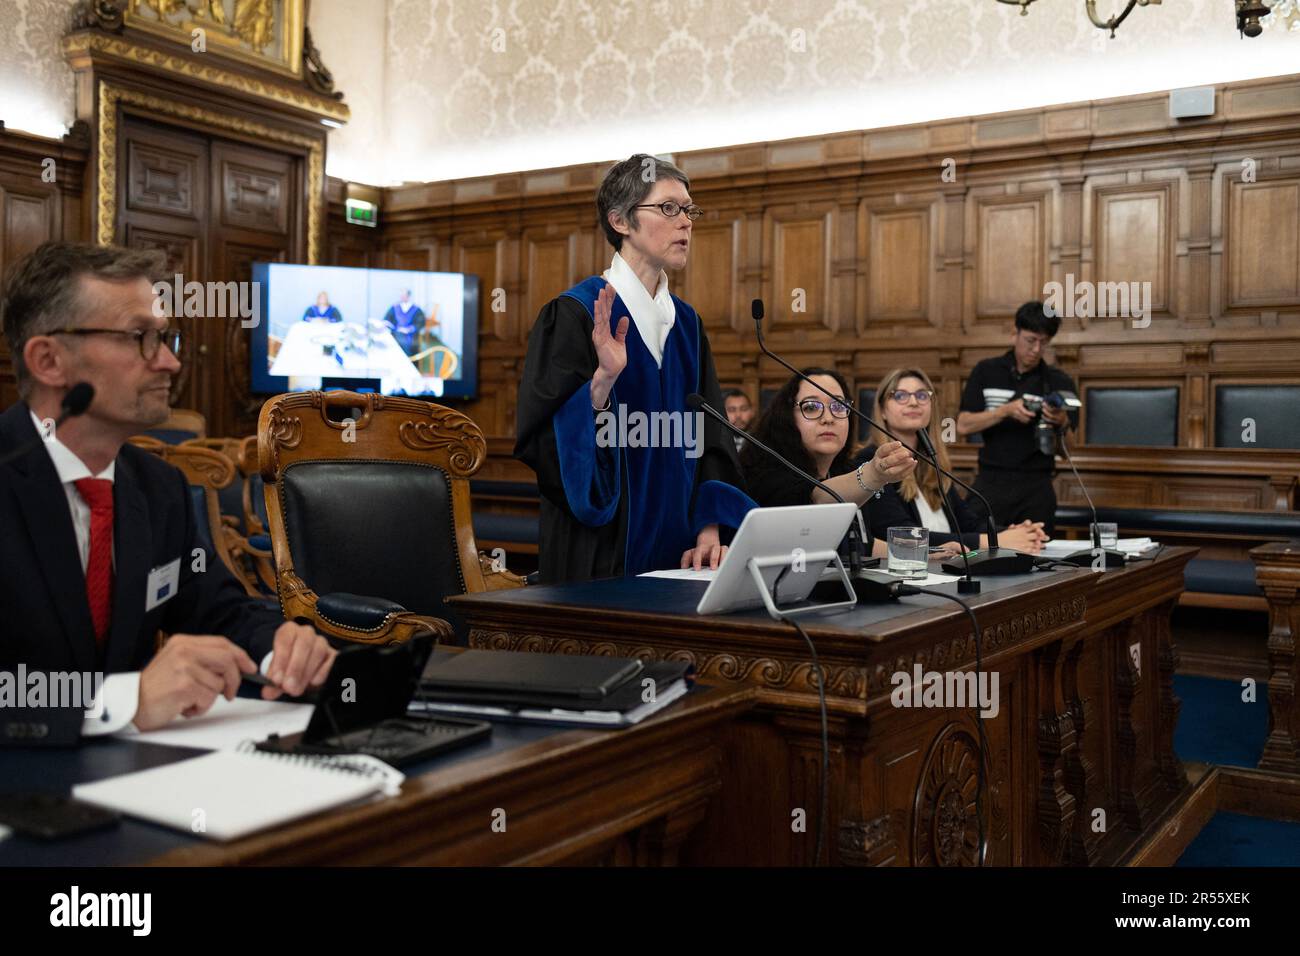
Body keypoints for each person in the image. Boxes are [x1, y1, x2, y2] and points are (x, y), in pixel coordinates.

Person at [0, 242, 337, 737]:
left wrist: (281, 648)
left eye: (165, 338)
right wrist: (121, 701)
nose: (170, 363)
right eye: (139, 337)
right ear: (49, 361)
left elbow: (216, 610)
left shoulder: (158, 488)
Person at [515, 154, 751, 584]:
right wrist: (602, 382)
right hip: (601, 549)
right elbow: (544, 442)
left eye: (688, 209)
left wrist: (709, 526)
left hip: (682, 555)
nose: (686, 222)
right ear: (621, 221)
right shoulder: (575, 315)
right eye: (668, 208)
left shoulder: (688, 325)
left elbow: (712, 438)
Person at [854, 367, 1049, 556]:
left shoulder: (929, 462)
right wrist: (993, 541)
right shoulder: (871, 462)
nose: (914, 402)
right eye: (900, 396)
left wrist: (1015, 533)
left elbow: (969, 523)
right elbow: (903, 536)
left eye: (922, 395)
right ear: (883, 410)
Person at [740, 367, 916, 558]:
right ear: (787, 417)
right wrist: (874, 474)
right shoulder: (765, 470)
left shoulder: (847, 470)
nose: (828, 418)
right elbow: (816, 498)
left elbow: (861, 545)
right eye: (811, 407)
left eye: (839, 406)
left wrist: (921, 552)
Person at [957, 300, 1078, 535]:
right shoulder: (986, 371)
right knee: (978, 548)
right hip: (991, 479)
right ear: (1015, 333)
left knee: (1038, 558)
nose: (1036, 349)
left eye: (1044, 343)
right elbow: (962, 425)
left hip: (1037, 484)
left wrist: (1061, 422)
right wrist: (1005, 411)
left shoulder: (1059, 381)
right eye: (1031, 340)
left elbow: (1068, 451)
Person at [383, 289, 426, 356]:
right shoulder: (395, 307)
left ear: (408, 296)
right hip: (396, 332)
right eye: (401, 295)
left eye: (404, 295)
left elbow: (420, 322)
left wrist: (409, 329)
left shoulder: (416, 309)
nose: (402, 297)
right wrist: (388, 325)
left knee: (407, 345)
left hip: (411, 334)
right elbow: (387, 319)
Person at [722, 387, 754, 454]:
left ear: (752, 412)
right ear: (722, 413)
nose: (738, 415)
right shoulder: (716, 443)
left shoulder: (763, 442)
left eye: (744, 409)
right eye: (731, 410)